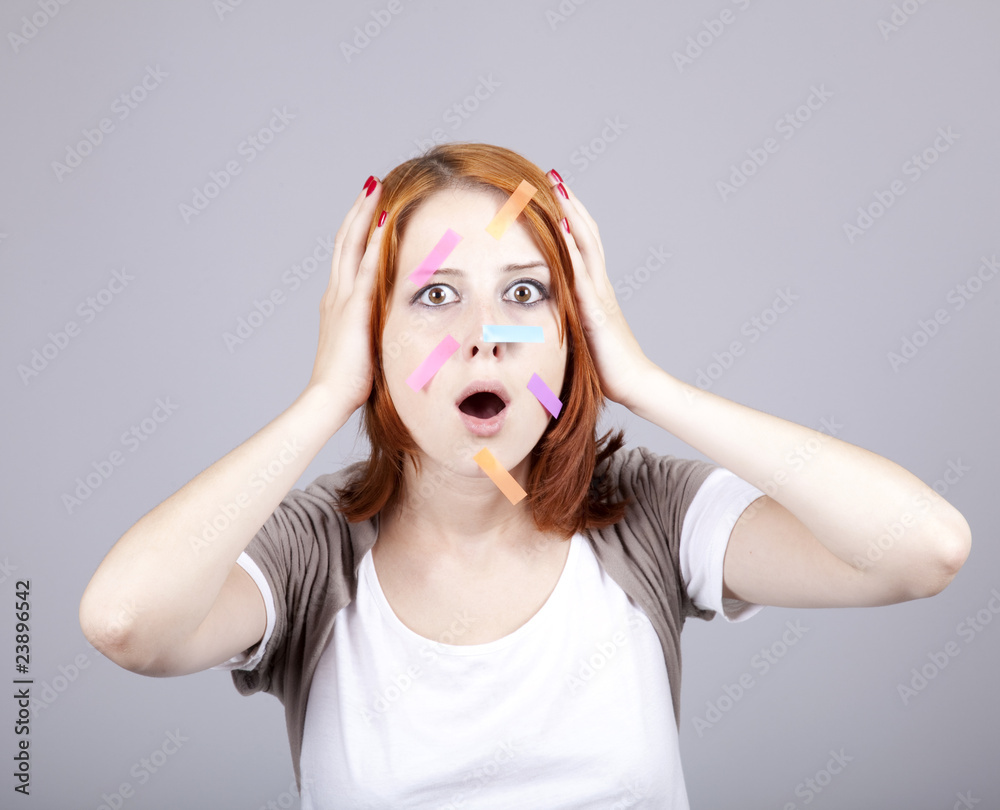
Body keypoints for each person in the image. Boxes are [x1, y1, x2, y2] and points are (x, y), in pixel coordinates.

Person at [79, 143, 971, 808]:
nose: (484, 335)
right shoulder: (314, 552)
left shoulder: (642, 516)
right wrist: (324, 397)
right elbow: (125, 622)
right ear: (370, 333)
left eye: (524, 292)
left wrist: (645, 383)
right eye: (434, 294)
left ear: (570, 327)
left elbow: (923, 549)